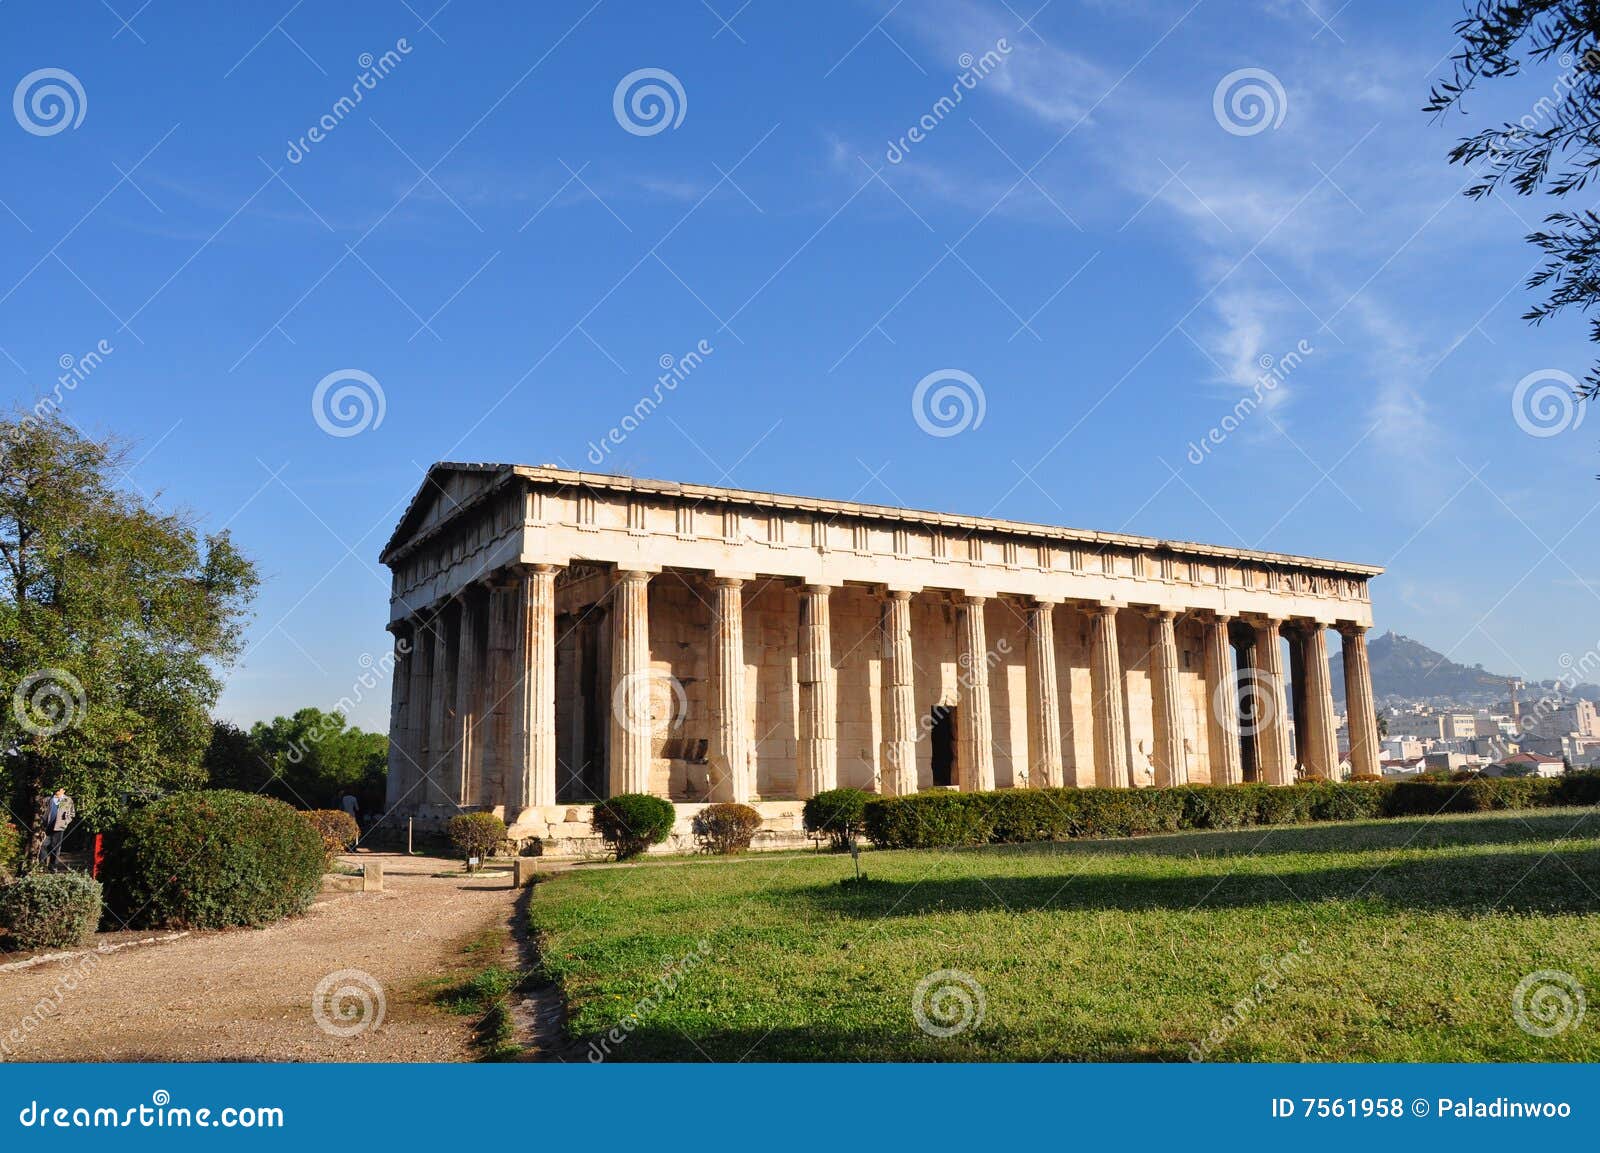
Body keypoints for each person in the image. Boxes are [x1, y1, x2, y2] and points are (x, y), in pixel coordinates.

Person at [41, 787, 74, 872]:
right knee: (43, 845)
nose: (57, 791)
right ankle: (43, 865)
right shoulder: (48, 799)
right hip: (47, 826)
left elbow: (72, 813)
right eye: (56, 790)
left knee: (55, 847)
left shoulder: (68, 800)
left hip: (59, 827)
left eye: (59, 790)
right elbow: (41, 811)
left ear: (63, 791)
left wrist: (66, 822)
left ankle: (53, 866)